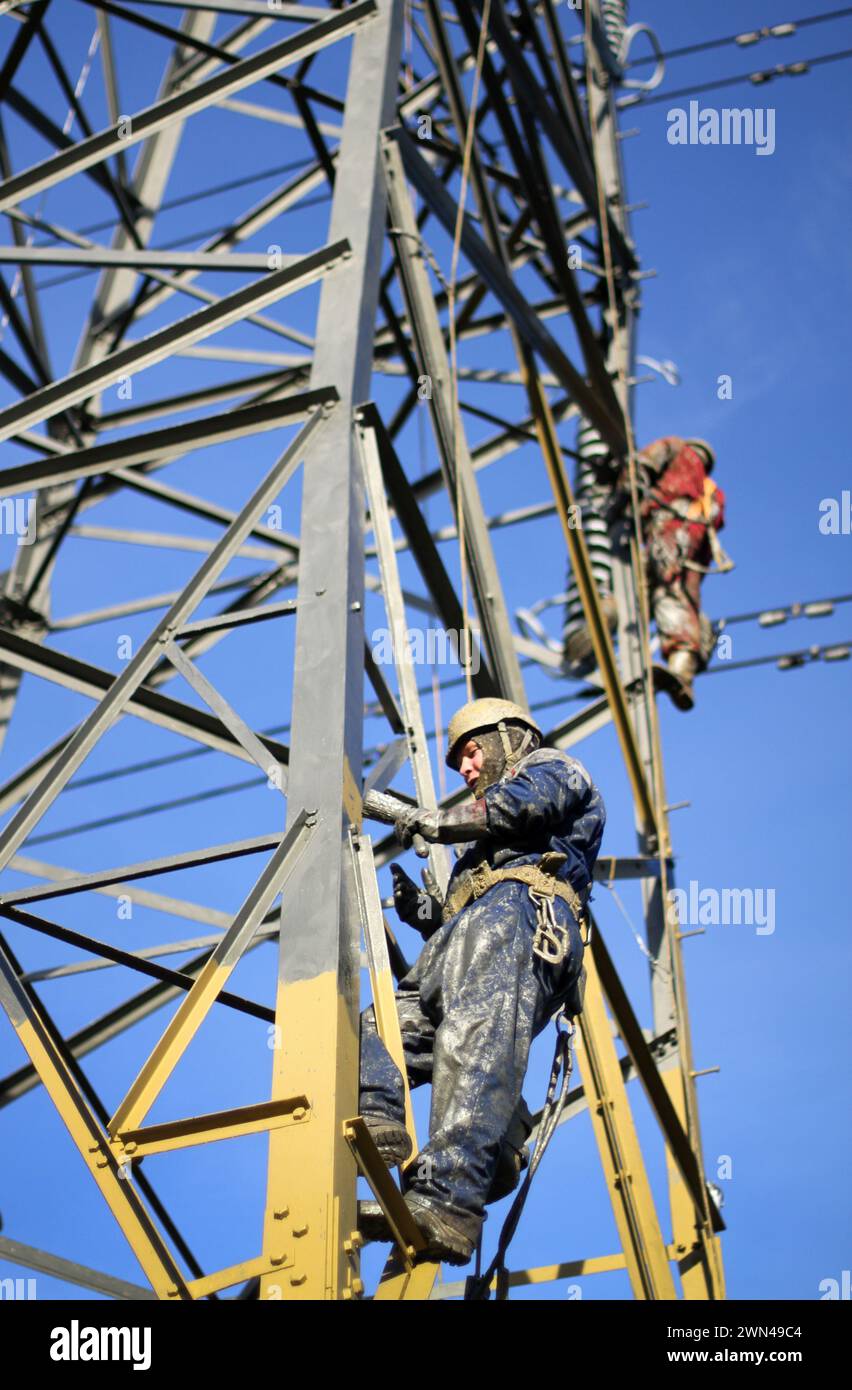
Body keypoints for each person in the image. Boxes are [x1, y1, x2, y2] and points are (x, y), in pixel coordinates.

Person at [358, 698, 606, 1265]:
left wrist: (434, 821)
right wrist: (425, 910)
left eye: (472, 754)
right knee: (380, 1027)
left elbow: (519, 810)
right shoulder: (480, 838)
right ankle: (378, 1118)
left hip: (526, 914)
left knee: (475, 1039)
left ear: (511, 738)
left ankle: (448, 1198)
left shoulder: (555, 769)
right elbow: (466, 903)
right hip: (468, 935)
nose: (466, 770)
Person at [636, 436, 727, 710]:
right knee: (681, 597)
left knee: (660, 589)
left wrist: (631, 483)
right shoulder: (713, 492)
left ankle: (605, 615)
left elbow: (645, 463)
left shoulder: (677, 449)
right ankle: (683, 666)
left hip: (671, 528)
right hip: (693, 551)